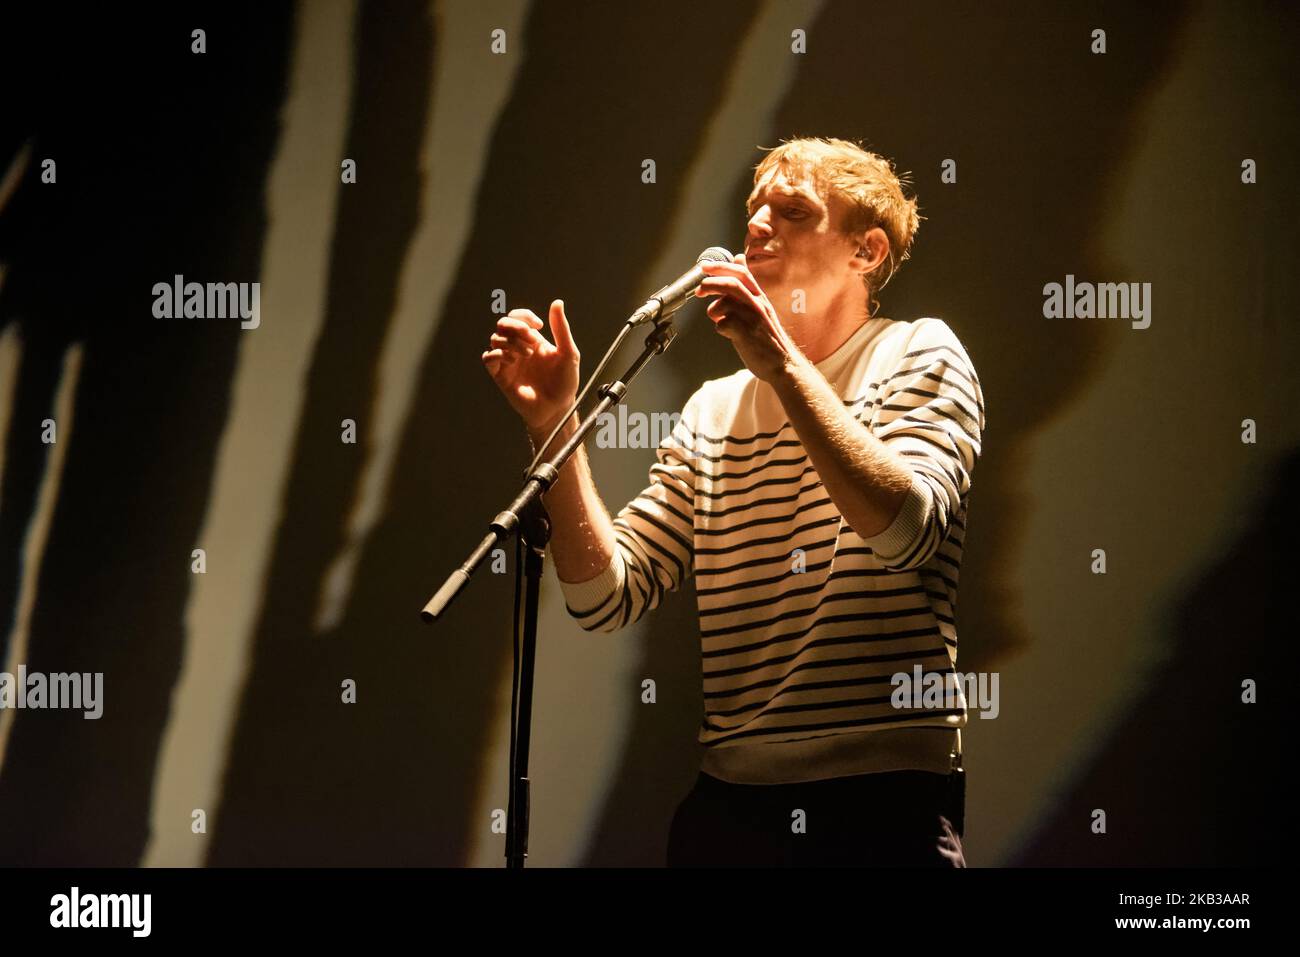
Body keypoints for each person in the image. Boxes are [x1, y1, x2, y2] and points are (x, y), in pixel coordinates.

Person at [481, 136, 983, 867]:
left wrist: (780, 363)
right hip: (732, 805)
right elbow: (600, 596)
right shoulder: (712, 410)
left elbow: (905, 529)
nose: (755, 224)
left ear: (866, 251)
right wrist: (553, 423)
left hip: (882, 800)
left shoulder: (917, 352)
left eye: (792, 210)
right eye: (753, 208)